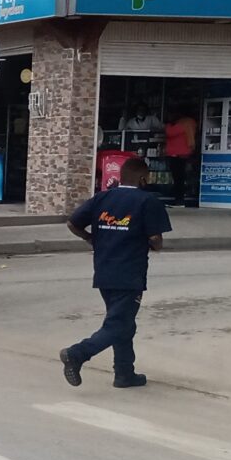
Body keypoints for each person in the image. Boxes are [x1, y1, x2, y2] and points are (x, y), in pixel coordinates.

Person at [60, 156, 172, 389]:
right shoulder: (147, 201)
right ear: (142, 178)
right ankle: (77, 353)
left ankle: (124, 373)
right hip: (129, 273)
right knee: (119, 324)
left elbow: (72, 223)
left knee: (123, 323)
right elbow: (156, 240)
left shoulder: (102, 198)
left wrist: (91, 239)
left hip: (103, 271)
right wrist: (152, 244)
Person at [164, 111, 198, 206]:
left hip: (178, 154)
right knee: (181, 177)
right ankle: (181, 199)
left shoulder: (182, 124)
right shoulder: (191, 123)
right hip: (185, 153)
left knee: (178, 178)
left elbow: (169, 132)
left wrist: (167, 125)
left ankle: (179, 200)